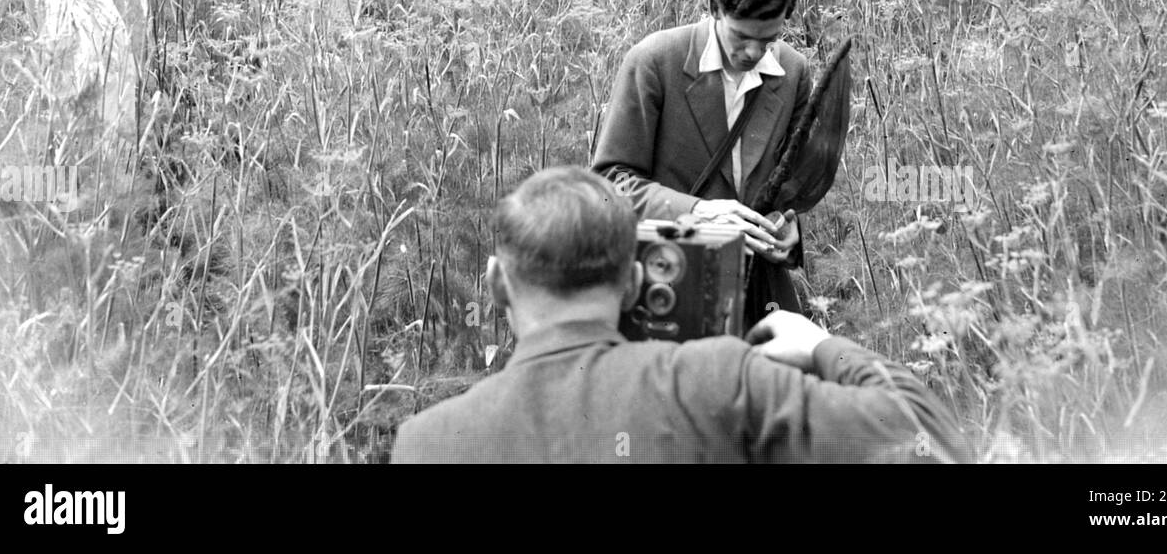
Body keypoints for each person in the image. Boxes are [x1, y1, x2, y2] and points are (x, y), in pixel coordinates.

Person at [391, 168, 971, 463]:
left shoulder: (427, 443)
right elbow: (928, 436)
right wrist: (821, 345)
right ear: (634, 282)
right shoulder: (715, 380)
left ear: (495, 284)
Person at [591, 0, 812, 321]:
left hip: (757, 293)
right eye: (742, 36)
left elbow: (786, 188)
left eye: (769, 39)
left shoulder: (793, 73)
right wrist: (698, 213)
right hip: (668, 282)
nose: (755, 52)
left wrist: (788, 233)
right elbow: (611, 184)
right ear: (714, 9)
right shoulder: (655, 61)